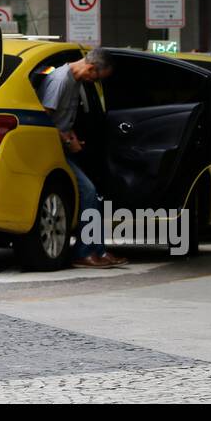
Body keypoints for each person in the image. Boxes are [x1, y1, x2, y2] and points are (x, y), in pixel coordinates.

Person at [38, 51, 128, 268]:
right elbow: (44, 118)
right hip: (52, 149)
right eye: (96, 78)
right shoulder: (60, 80)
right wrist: (68, 141)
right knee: (88, 191)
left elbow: (63, 119)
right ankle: (85, 252)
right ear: (90, 69)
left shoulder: (75, 81)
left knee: (93, 193)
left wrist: (72, 137)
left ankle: (97, 250)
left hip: (64, 146)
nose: (94, 82)